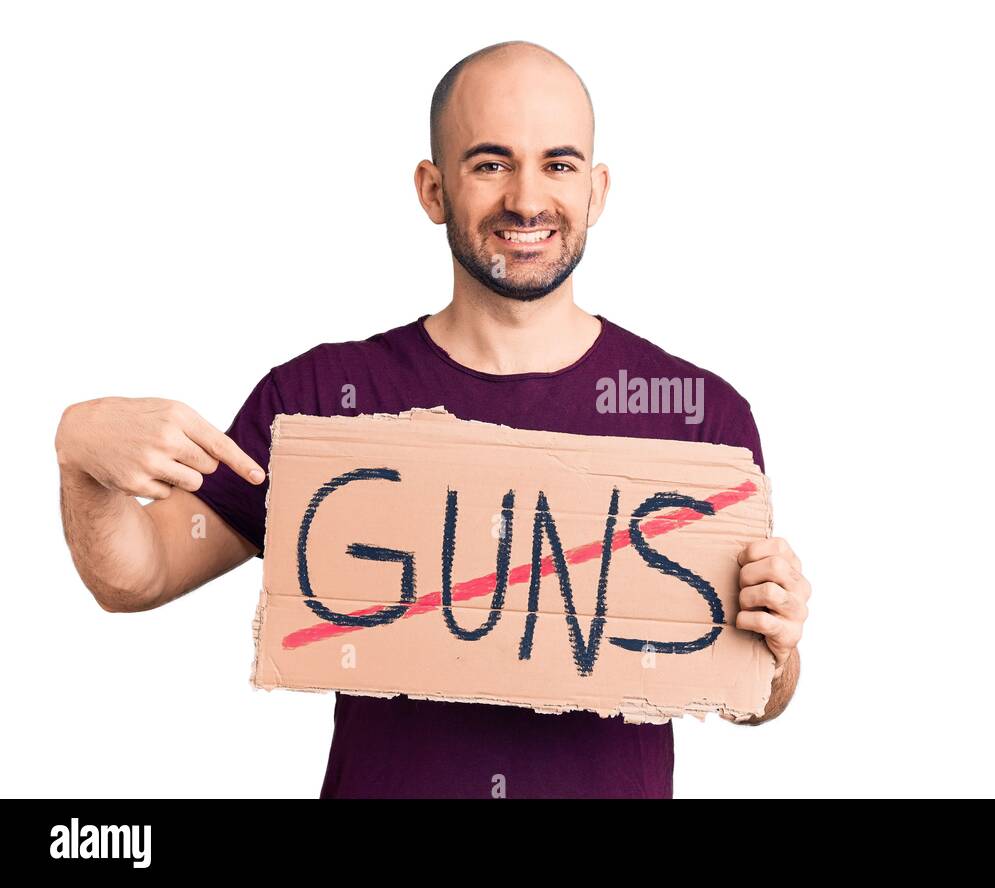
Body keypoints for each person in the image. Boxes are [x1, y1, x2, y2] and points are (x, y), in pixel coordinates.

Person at [54, 41, 811, 798]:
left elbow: (754, 697)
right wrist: (80, 457)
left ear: (597, 189)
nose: (525, 199)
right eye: (490, 164)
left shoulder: (696, 417)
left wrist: (779, 642)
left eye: (558, 164)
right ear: (433, 189)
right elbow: (138, 575)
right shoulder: (322, 398)